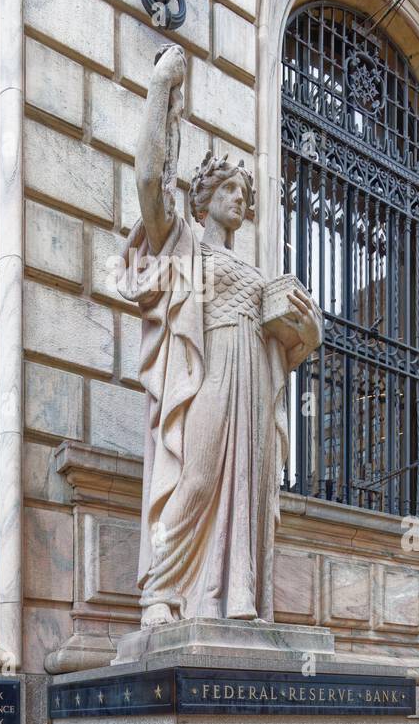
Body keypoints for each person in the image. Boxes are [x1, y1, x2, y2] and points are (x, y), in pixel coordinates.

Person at [118, 44, 321, 629]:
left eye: (245, 193)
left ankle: (234, 597)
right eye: (231, 189)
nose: (241, 198)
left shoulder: (260, 272)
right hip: (209, 370)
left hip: (256, 378)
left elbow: (295, 340)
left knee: (250, 491)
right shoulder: (183, 244)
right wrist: (162, 91)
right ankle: (161, 590)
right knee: (198, 473)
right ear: (206, 197)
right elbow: (151, 180)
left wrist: (304, 326)